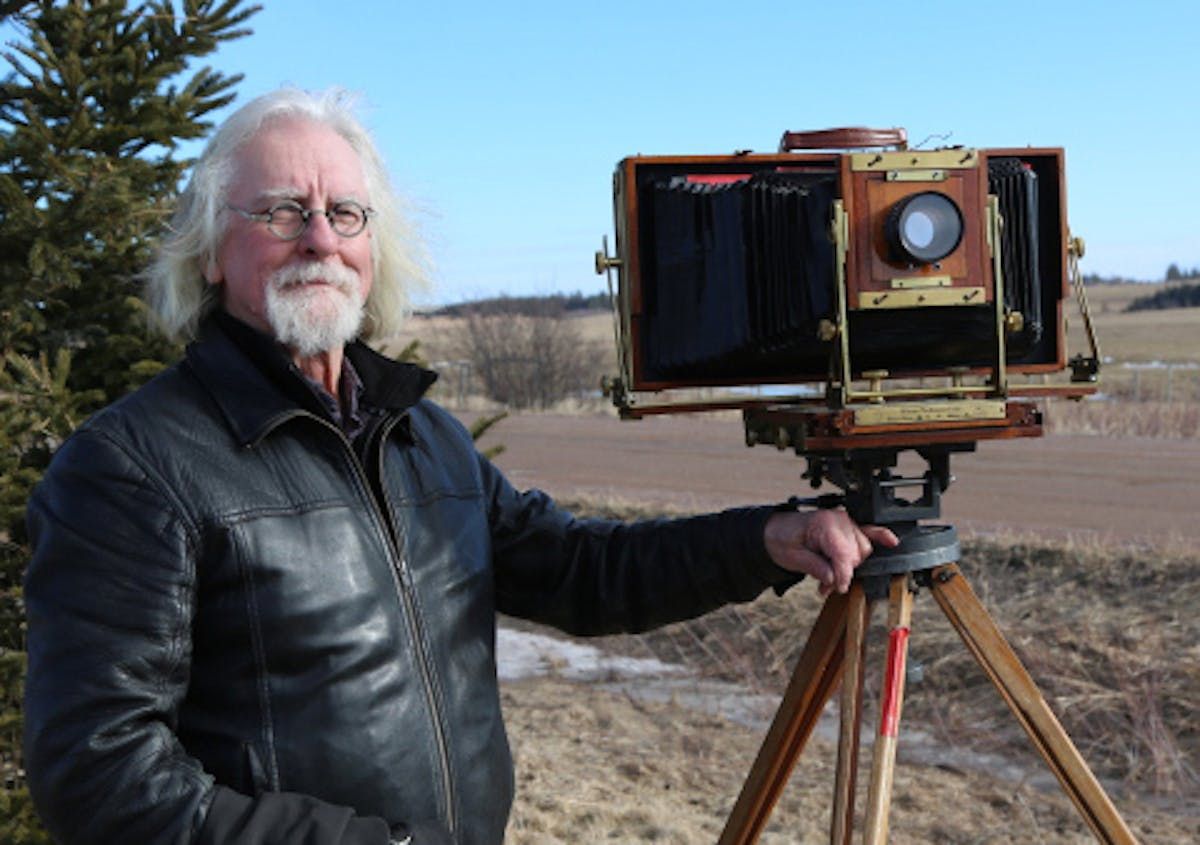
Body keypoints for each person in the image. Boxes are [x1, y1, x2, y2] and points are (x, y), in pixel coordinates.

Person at [23, 87, 897, 845]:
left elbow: (580, 572)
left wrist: (768, 539)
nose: (319, 239)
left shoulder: (421, 437)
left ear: (373, 247)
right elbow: (96, 770)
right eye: (282, 212)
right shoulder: (133, 467)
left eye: (345, 214)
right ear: (211, 252)